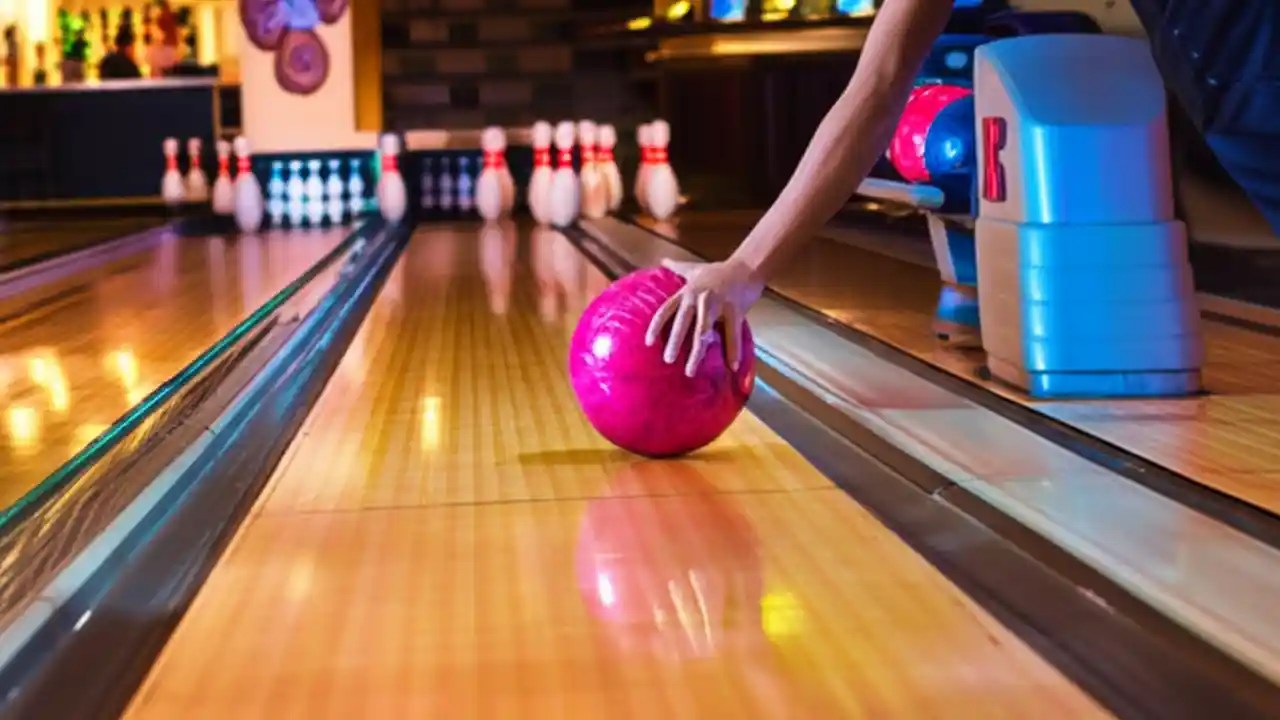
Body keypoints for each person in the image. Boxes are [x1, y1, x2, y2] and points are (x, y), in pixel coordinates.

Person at [646, 0, 1280, 377]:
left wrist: (747, 268)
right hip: (1230, 85)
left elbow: (878, 87)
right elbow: (877, 88)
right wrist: (746, 268)